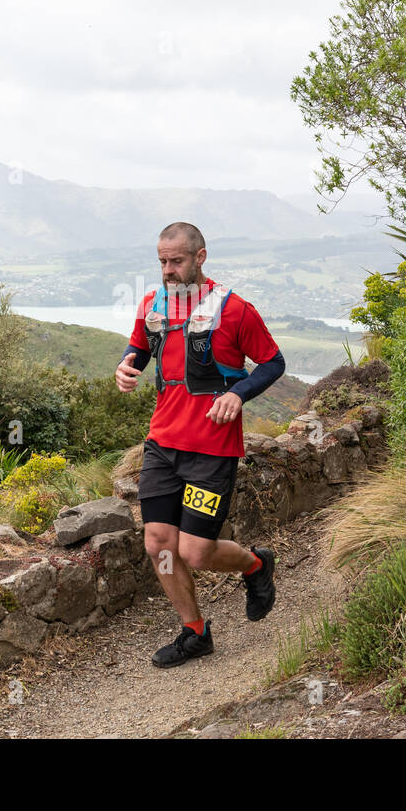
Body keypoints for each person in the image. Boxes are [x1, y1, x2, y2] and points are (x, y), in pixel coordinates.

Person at [115, 221, 286, 667]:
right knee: (159, 544)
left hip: (212, 450)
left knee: (196, 551)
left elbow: (272, 362)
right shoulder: (152, 305)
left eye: (177, 261)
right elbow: (138, 350)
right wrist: (125, 367)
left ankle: (254, 565)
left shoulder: (235, 310)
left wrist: (237, 394)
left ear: (200, 257)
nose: (168, 270)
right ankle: (195, 632)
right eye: (162, 261)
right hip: (162, 444)